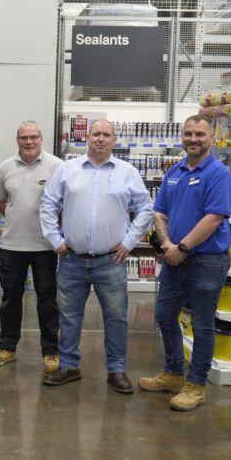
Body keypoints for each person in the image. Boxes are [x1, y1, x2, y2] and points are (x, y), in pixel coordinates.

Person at [40, 119, 153, 393]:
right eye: (96, 134)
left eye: (106, 135)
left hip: (110, 261)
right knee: (68, 316)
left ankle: (116, 370)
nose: (101, 139)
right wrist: (55, 239)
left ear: (114, 140)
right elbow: (47, 204)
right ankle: (69, 365)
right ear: (87, 138)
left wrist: (128, 242)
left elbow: (146, 209)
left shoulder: (127, 172)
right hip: (72, 260)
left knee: (116, 317)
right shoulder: (68, 170)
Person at [138, 115, 231, 411]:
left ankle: (196, 385)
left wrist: (182, 247)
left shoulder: (218, 173)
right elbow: (159, 212)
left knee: (202, 324)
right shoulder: (174, 172)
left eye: (199, 134)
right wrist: (167, 244)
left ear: (212, 137)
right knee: (165, 315)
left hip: (207, 261)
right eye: (189, 133)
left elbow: (214, 218)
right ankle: (174, 373)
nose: (193, 139)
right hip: (174, 258)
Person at [0, 120, 63, 375]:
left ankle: (51, 350)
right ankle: (7, 347)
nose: (29, 142)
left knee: (47, 300)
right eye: (23, 138)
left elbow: (65, 203)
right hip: (12, 245)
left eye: (33, 137)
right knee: (10, 299)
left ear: (41, 138)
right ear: (17, 140)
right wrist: (15, 217)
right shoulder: (5, 167)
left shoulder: (56, 166)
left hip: (44, 246)